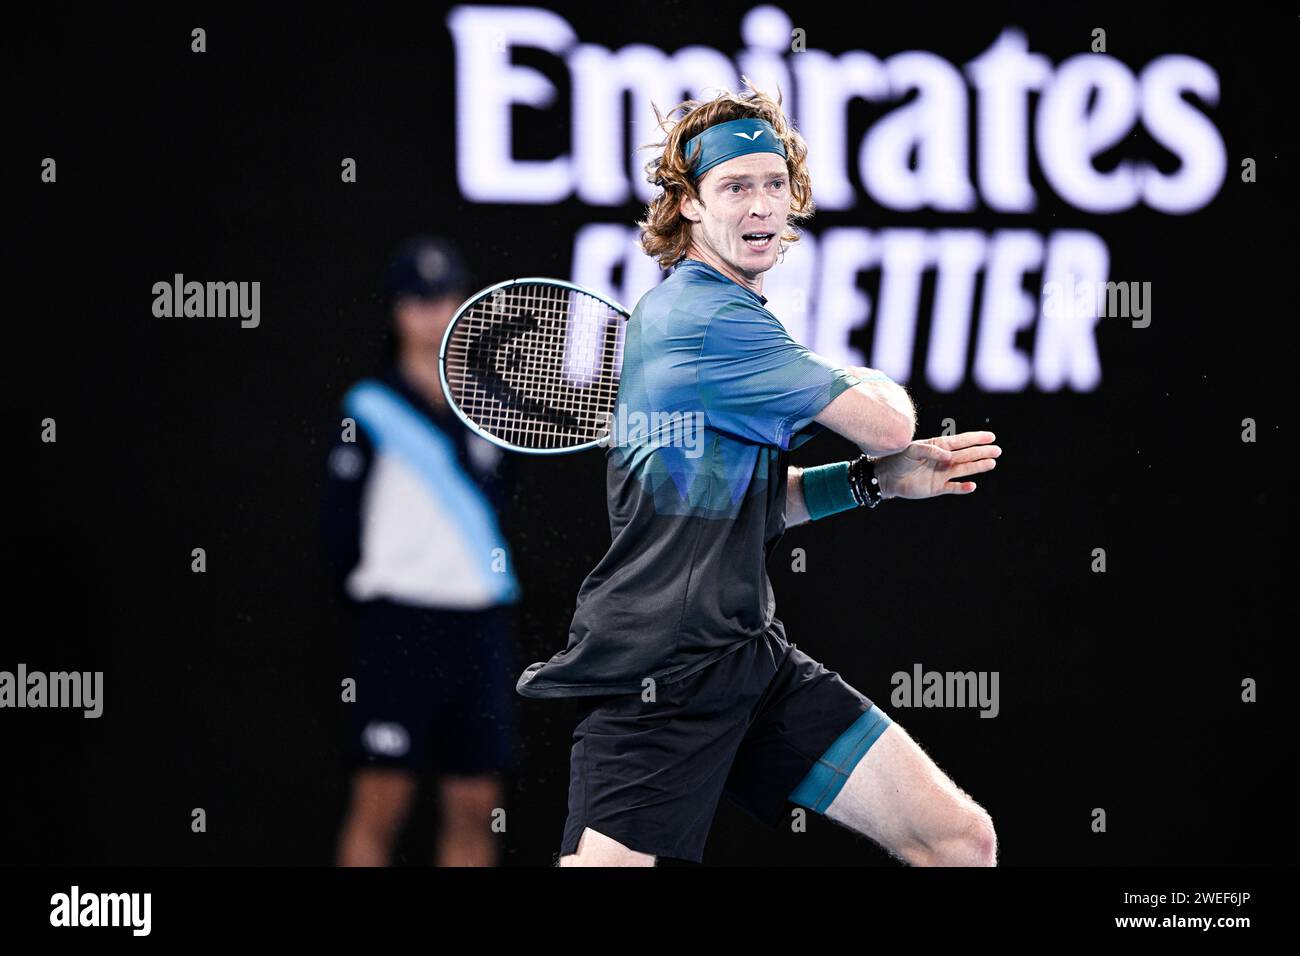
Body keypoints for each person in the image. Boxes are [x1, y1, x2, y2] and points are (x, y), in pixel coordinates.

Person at [516, 83, 1002, 866]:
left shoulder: (689, 316)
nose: (761, 203)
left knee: (957, 839)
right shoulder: (708, 319)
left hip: (746, 657)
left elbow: (750, 503)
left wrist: (874, 483)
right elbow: (891, 423)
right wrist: (866, 405)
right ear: (689, 207)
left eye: (774, 182)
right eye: (735, 185)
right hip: (662, 674)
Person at [323, 236, 522, 866]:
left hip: (479, 628)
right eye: (419, 301)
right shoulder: (367, 406)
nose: (436, 315)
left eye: (447, 299)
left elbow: (503, 512)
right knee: (381, 801)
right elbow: (338, 531)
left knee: (474, 806)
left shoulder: (493, 405)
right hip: (400, 627)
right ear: (395, 312)